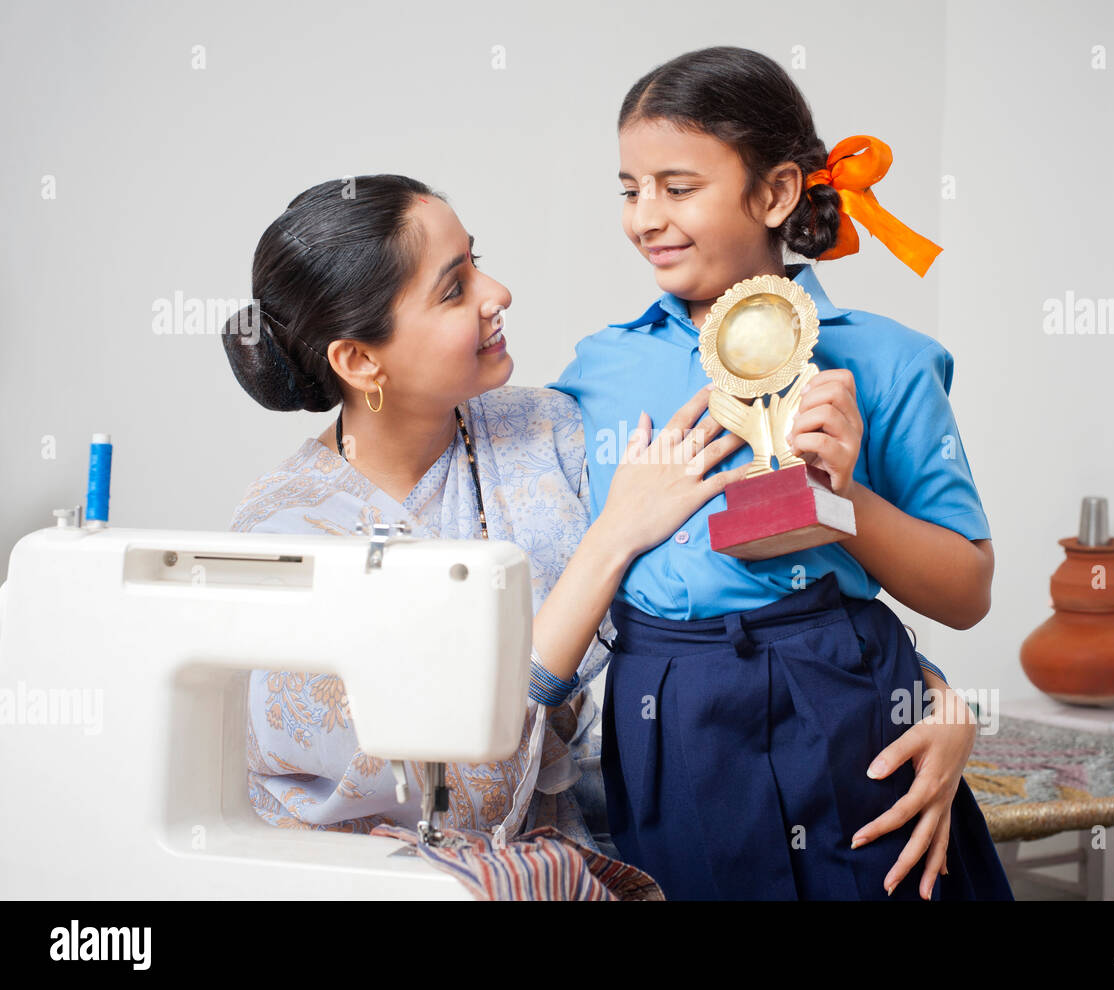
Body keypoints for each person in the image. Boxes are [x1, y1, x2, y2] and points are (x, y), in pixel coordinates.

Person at [547, 46, 1015, 900]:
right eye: (629, 188)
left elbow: (967, 591)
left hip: (848, 703)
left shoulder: (889, 362)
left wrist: (847, 502)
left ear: (775, 193)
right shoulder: (597, 372)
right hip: (668, 710)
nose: (644, 216)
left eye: (678, 187)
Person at [221, 174, 748, 857]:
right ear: (358, 359)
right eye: (453, 288)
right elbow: (461, 791)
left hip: (572, 857)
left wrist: (914, 684)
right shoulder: (286, 539)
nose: (497, 294)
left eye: (477, 260)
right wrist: (611, 539)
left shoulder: (547, 428)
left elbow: (715, 580)